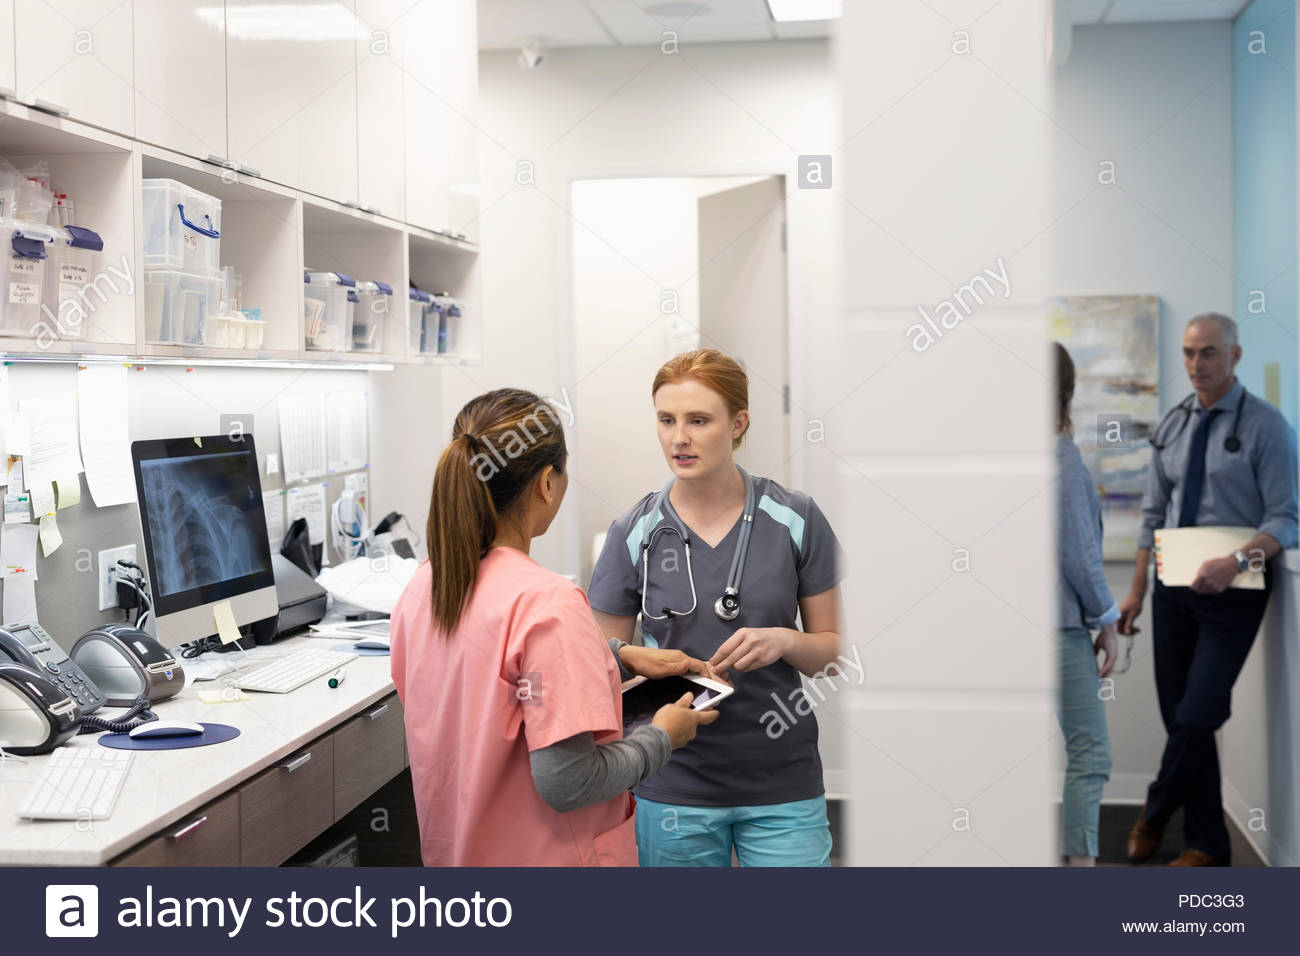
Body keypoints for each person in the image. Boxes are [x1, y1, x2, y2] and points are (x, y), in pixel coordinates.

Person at [389, 387, 719, 866]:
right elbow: (571, 781)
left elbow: (485, 687)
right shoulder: (548, 604)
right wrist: (664, 735)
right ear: (548, 482)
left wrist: (612, 656)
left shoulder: (425, 586)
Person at [588, 349, 845, 867]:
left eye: (698, 420)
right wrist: (635, 659)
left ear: (738, 424)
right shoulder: (633, 532)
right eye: (666, 420)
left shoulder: (795, 519)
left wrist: (787, 640)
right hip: (672, 781)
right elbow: (600, 663)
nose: (678, 438)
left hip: (782, 783)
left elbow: (834, 654)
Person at [1120, 313, 1298, 866]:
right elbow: (1152, 514)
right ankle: (1207, 843)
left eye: (1210, 353)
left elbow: (1287, 518)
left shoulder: (1267, 427)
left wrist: (1236, 560)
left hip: (1235, 590)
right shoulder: (1173, 424)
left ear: (1236, 356)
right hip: (1171, 590)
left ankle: (1153, 811)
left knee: (1199, 714)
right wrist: (1134, 592)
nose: (1197, 365)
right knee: (1181, 719)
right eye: (1190, 353)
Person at [1053, 343, 1118, 866]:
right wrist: (1110, 621)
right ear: (1067, 393)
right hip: (1057, 631)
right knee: (1091, 753)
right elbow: (1079, 556)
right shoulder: (1063, 462)